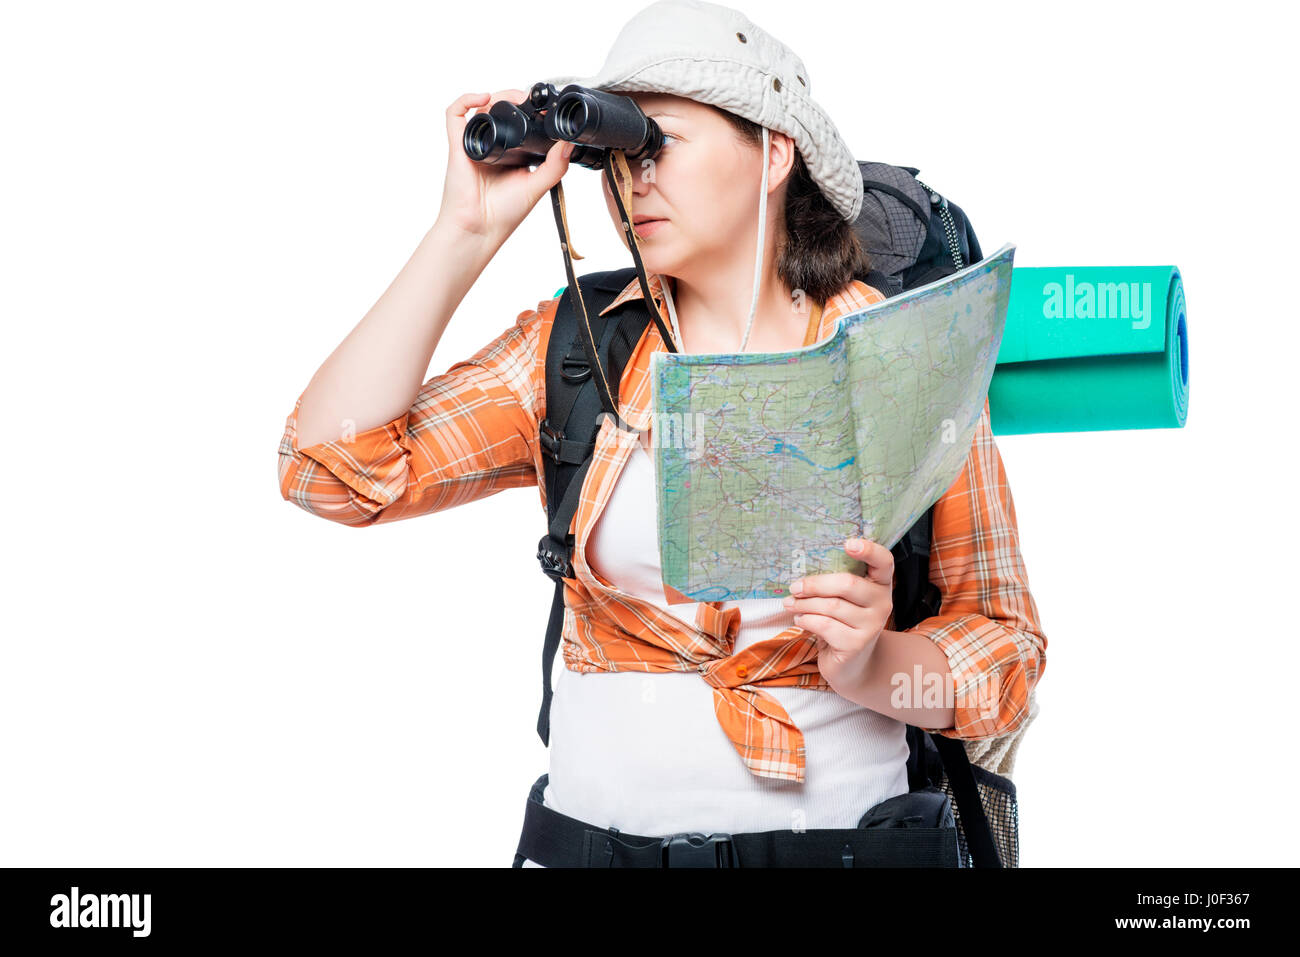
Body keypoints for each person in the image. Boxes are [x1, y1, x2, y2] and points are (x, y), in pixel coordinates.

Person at [277, 0, 1047, 867]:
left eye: (661, 142)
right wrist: (465, 232)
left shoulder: (905, 353)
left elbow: (1008, 655)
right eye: (617, 152)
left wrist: (875, 663)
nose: (633, 178)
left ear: (772, 152)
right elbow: (329, 468)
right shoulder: (573, 348)